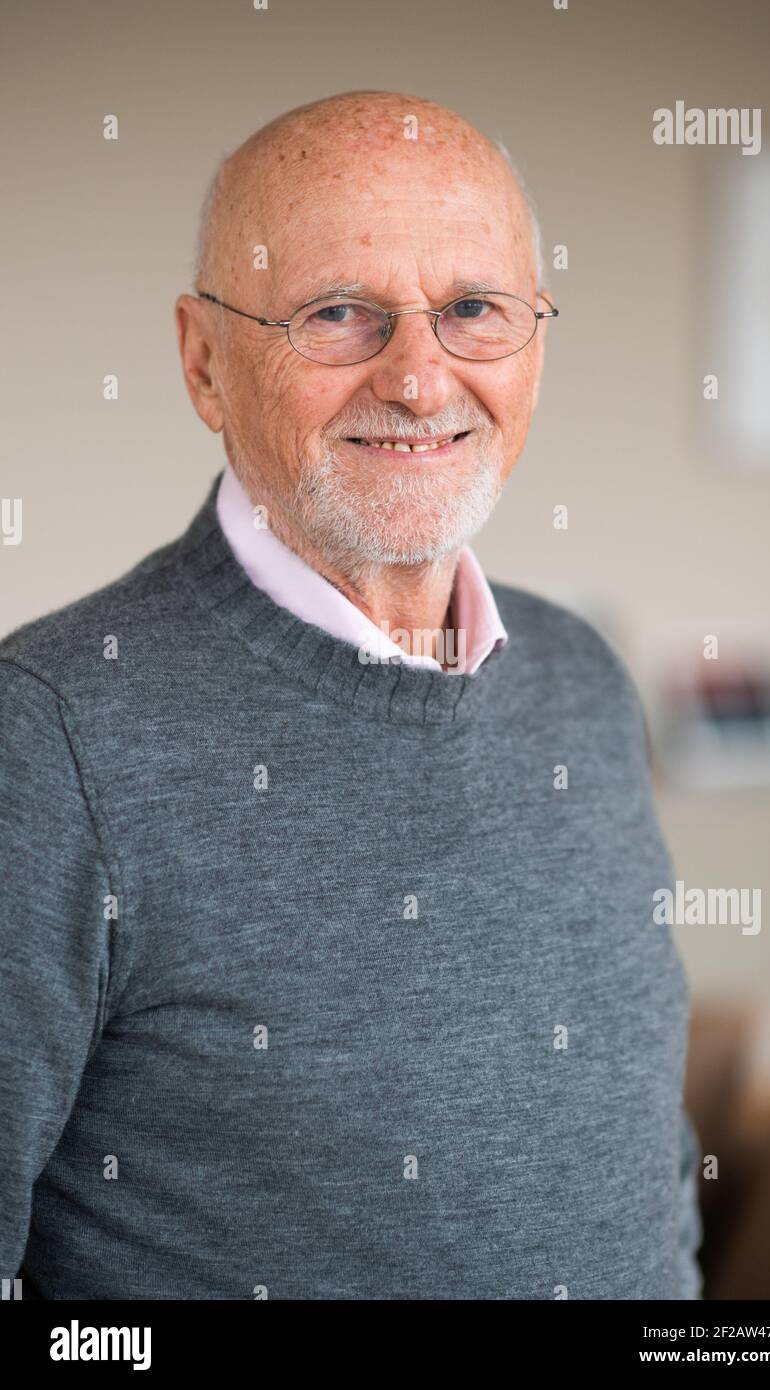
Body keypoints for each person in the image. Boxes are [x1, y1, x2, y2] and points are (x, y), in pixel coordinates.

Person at [0, 90, 703, 1299]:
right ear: (203, 361)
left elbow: (636, 1159)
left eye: (473, 309)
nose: (421, 381)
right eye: (337, 313)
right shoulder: (48, 736)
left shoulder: (582, 676)